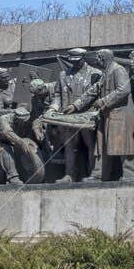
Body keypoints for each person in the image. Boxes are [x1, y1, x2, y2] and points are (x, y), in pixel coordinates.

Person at [52, 48, 100, 184]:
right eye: (72, 61)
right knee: (69, 146)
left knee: (91, 144)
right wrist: (53, 108)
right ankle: (69, 175)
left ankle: (93, 174)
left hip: (87, 115)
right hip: (68, 117)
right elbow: (57, 95)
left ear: (83, 58)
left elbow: (93, 94)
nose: (74, 64)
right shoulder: (63, 75)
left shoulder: (95, 74)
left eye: (77, 61)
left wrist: (76, 106)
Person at [93, 48, 134, 183]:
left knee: (124, 144)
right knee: (103, 146)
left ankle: (130, 174)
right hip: (109, 114)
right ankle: (99, 175)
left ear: (103, 58)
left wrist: (104, 100)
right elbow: (92, 91)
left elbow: (124, 90)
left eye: (98, 58)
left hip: (121, 114)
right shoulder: (105, 73)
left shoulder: (118, 70)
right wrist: (76, 105)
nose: (96, 61)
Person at [0, 104, 43, 187]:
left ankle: (38, 174)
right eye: (20, 121)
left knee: (27, 142)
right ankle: (13, 177)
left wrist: (36, 130)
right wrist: (22, 142)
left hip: (11, 144)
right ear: (15, 116)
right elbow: (8, 133)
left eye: (24, 121)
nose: (22, 123)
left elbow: (35, 120)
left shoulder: (26, 119)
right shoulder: (3, 119)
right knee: (5, 149)